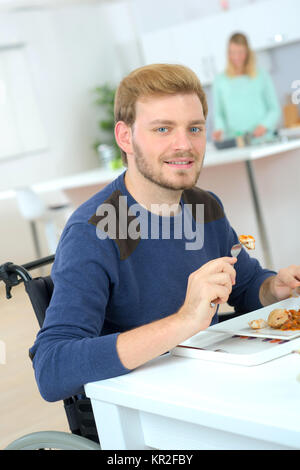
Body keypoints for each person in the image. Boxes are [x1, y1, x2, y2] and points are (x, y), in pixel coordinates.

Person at [29, 63, 300, 402]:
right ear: (125, 137)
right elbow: (53, 368)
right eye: (162, 129)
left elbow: (245, 286)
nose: (183, 145)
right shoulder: (100, 228)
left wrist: (274, 288)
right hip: (147, 411)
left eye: (195, 128)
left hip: (212, 389)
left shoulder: (203, 206)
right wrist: (184, 321)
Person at [212, 32, 281, 142]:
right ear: (228, 54)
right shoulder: (220, 81)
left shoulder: (262, 76)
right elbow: (219, 114)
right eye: (232, 53)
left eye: (240, 52)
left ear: (248, 52)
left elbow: (274, 109)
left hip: (263, 139)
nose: (236, 57)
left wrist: (264, 125)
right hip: (237, 142)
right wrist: (219, 129)